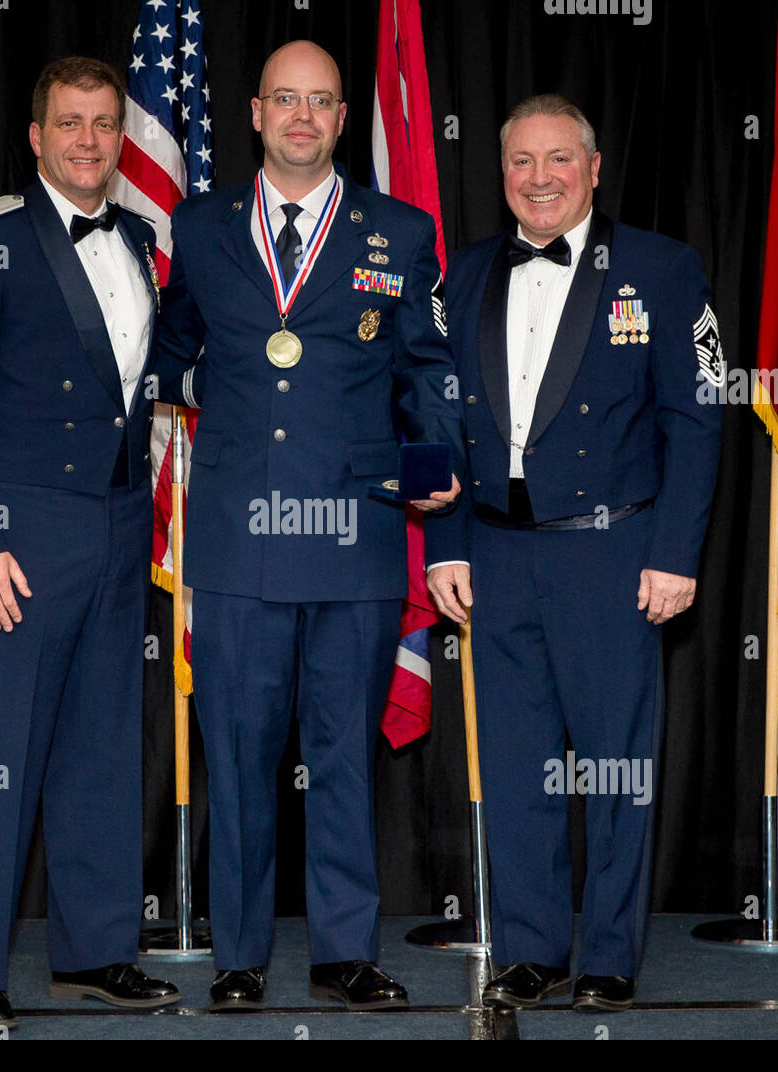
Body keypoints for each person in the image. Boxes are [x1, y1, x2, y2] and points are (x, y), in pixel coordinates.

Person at [152, 40, 463, 1011]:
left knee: (342, 755)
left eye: (320, 101)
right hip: (238, 536)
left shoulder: (399, 231)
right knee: (239, 758)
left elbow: (429, 369)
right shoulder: (199, 225)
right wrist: (200, 381)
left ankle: (343, 952)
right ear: (255, 112)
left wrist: (431, 468)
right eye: (284, 99)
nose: (301, 116)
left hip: (352, 533)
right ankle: (239, 956)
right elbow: (167, 348)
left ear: (340, 118)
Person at [425, 94, 724, 1011]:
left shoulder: (660, 268)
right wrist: (443, 546)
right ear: (501, 173)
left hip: (612, 554)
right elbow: (429, 415)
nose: (540, 177)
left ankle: (608, 958)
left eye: (559, 159)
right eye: (521, 161)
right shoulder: (461, 276)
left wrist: (675, 553)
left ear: (594, 169)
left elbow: (696, 418)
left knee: (616, 766)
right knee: (516, 766)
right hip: (495, 553)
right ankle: (531, 949)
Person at [0, 56, 179, 1032]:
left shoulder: (141, 238)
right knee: (4, 751)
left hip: (119, 520)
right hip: (22, 535)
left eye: (104, 123)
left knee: (102, 747)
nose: (88, 140)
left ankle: (98, 951)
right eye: (69, 123)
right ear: (36, 136)